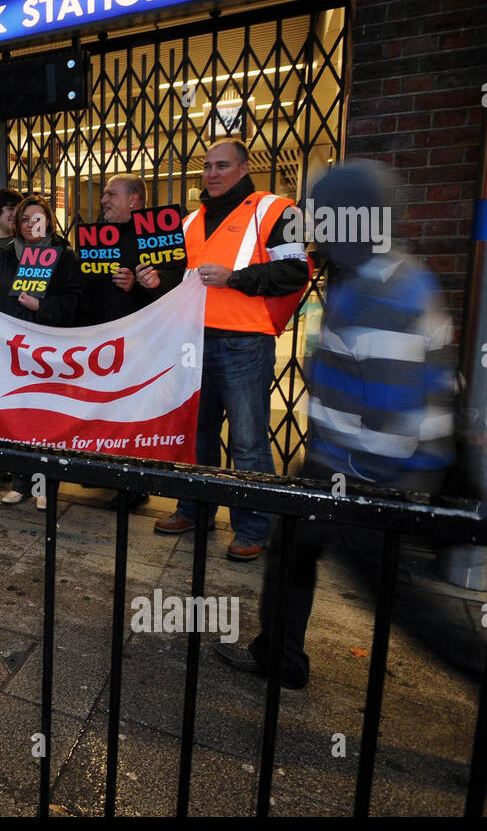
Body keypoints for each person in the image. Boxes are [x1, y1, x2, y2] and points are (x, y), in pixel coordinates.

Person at [212, 161, 456, 688]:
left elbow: (393, 420)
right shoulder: (385, 275)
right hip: (341, 467)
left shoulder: (382, 296)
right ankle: (280, 657)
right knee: (291, 556)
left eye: (324, 217)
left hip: (364, 478)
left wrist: (349, 485)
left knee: (418, 615)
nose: (314, 230)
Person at [153, 139, 309, 561]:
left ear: (243, 169)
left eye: (222, 166)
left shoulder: (279, 209)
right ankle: (194, 509)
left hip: (244, 342)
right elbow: (180, 278)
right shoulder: (189, 222)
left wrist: (235, 277)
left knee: (248, 441)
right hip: (193, 341)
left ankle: (253, 528)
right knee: (197, 434)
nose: (212, 174)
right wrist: (154, 281)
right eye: (206, 166)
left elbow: (295, 272)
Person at [0, 193, 84, 509]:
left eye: (37, 218)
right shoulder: (5, 258)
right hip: (12, 353)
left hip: (50, 355)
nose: (30, 224)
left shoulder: (64, 256)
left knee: (47, 423)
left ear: (48, 221)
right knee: (17, 421)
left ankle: (45, 487)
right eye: (24, 218)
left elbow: (77, 303)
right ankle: (22, 483)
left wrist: (42, 306)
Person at [80, 174, 177, 511]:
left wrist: (136, 285)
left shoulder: (157, 236)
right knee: (104, 408)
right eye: (104, 193)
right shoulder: (94, 236)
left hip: (140, 342)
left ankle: (133, 483)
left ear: (134, 199)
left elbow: (173, 289)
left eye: (111, 193)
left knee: (133, 413)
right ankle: (104, 471)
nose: (103, 199)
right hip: (99, 341)